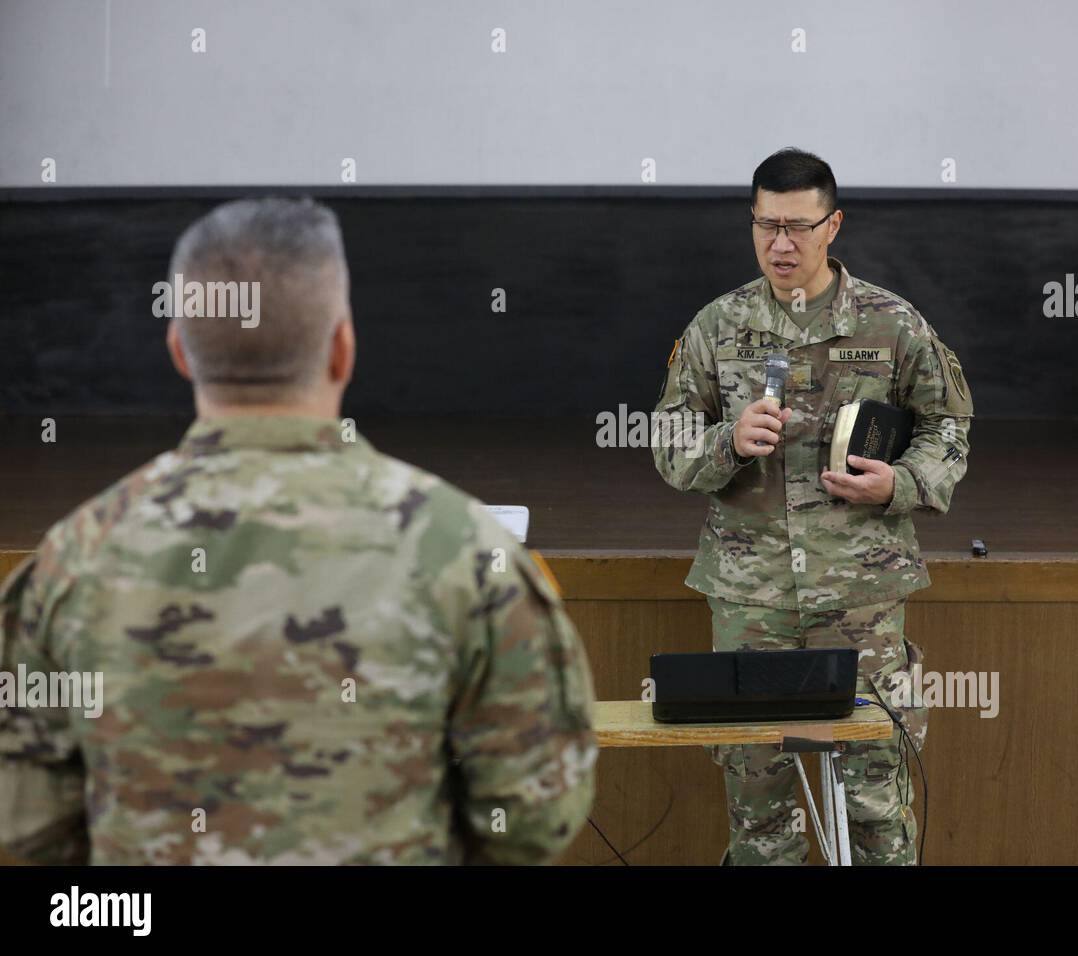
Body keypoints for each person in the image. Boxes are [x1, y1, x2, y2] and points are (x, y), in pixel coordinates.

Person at [0, 197, 597, 865]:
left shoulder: (72, 559)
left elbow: (26, 824)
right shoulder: (469, 553)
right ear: (342, 346)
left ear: (178, 349)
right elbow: (535, 819)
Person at [652, 148, 973, 865]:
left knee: (876, 806)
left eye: (798, 227)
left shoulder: (892, 324)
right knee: (760, 811)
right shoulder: (718, 326)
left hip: (860, 599)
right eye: (765, 225)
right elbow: (670, 446)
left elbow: (947, 428)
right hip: (752, 601)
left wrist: (902, 485)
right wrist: (727, 442)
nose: (781, 244)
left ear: (835, 226)